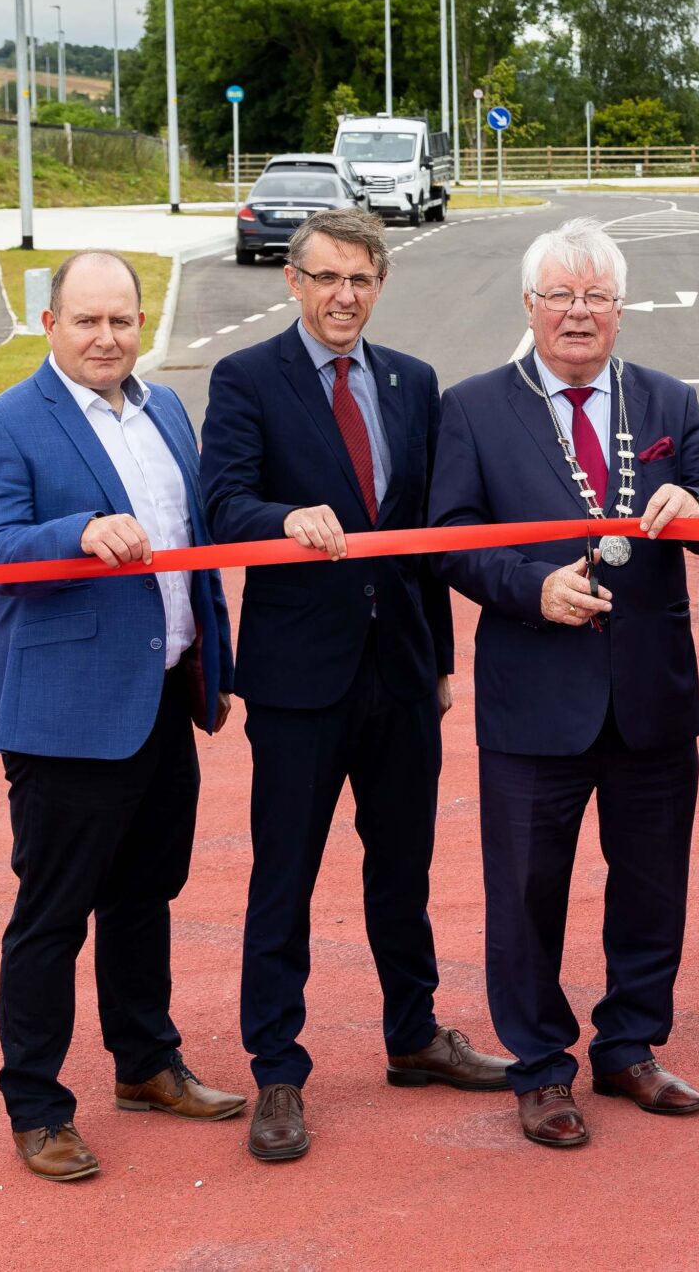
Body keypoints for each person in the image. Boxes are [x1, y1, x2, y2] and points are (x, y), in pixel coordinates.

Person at [199, 208, 508, 1165]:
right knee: (283, 877)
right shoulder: (246, 379)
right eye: (327, 278)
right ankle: (279, 1071)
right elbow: (221, 505)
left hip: (404, 673)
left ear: (379, 287)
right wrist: (287, 517)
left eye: (361, 281)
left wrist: (445, 664)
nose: (344, 297)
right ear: (292, 281)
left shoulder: (413, 383)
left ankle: (412, 1035)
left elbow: (427, 535)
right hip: (300, 678)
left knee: (402, 866)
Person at [428, 219, 699, 1150]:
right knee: (527, 893)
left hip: (650, 694)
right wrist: (532, 588)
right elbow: (447, 534)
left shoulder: (668, 398)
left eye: (596, 296)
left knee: (652, 885)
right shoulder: (476, 407)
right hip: (533, 697)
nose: (578, 312)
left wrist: (697, 504)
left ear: (619, 307)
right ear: (529, 307)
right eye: (560, 296)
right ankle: (541, 1067)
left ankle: (630, 1045)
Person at [0, 250, 245, 1183]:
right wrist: (72, 534)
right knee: (51, 916)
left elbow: (193, 550)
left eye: (121, 321)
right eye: (87, 321)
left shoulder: (166, 412)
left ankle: (146, 1064)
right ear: (50, 323)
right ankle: (37, 1106)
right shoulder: (0, 424)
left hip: (163, 697)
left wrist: (213, 664)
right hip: (67, 716)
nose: (106, 338)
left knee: (146, 893)